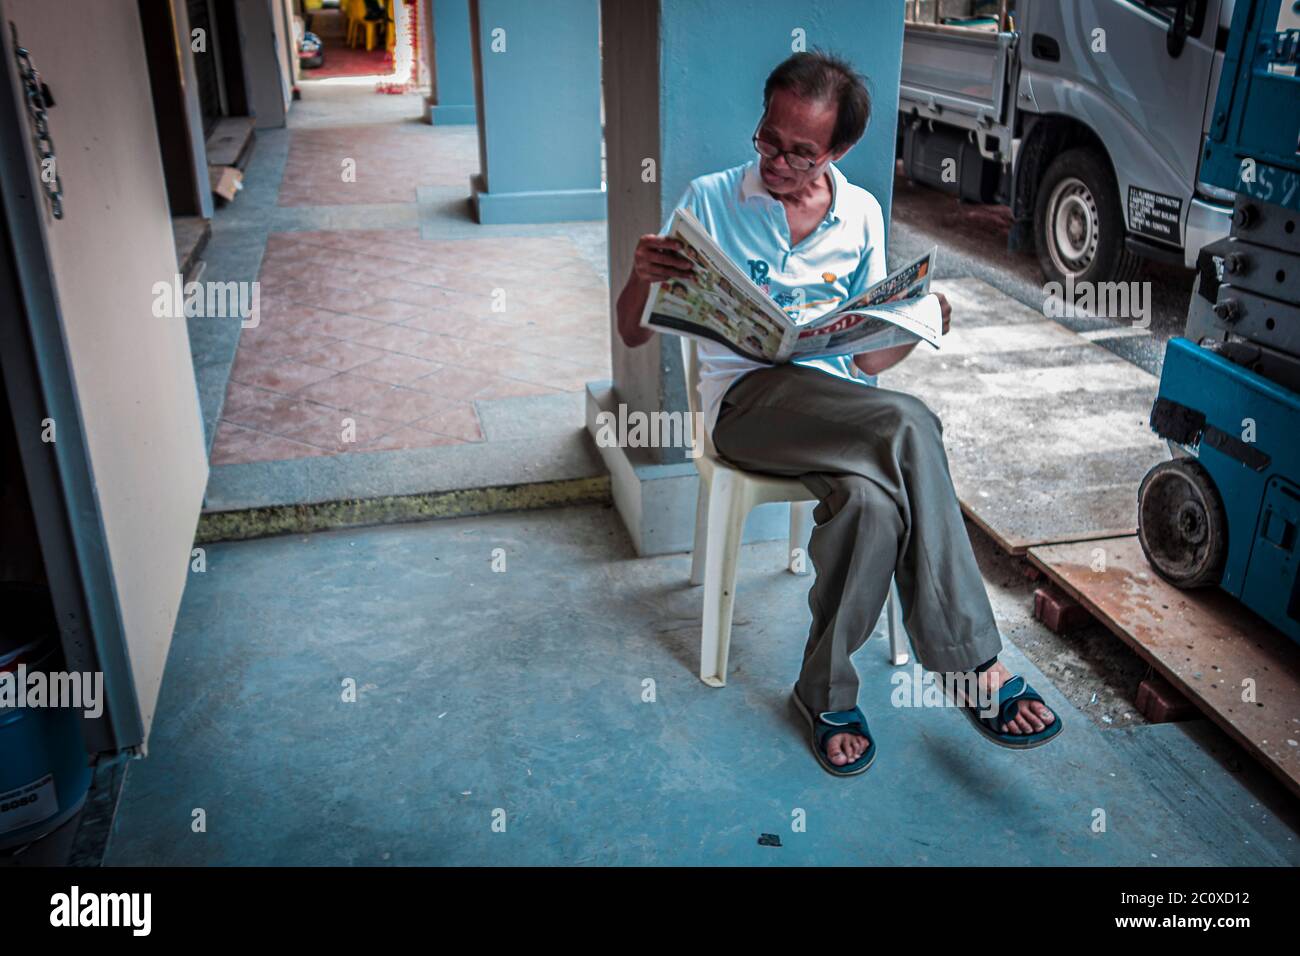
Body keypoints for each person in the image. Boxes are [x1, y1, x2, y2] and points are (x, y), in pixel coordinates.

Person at [615, 50, 1061, 776]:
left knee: (873, 507)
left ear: (839, 150)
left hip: (838, 412)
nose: (779, 163)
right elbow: (635, 332)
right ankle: (973, 663)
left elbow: (866, 364)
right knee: (913, 423)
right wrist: (639, 280)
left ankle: (822, 694)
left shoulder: (859, 214)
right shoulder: (709, 200)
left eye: (801, 152)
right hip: (747, 409)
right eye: (768, 140)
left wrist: (916, 324)